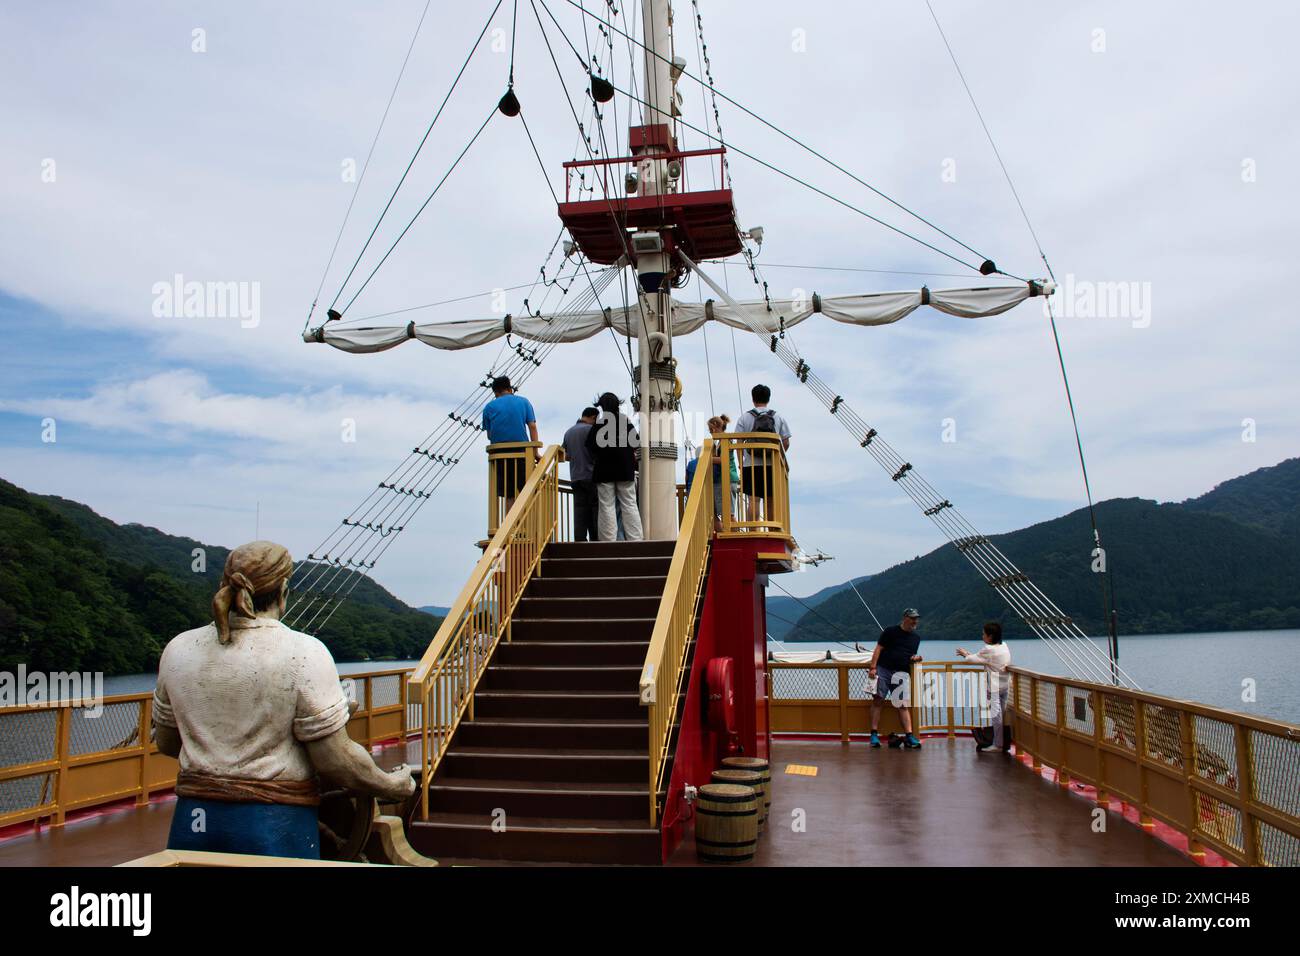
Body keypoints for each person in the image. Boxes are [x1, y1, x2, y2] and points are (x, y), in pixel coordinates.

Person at [152, 541, 415, 859]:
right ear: (283, 591)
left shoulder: (178, 649)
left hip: (192, 822)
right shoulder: (305, 652)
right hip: (275, 826)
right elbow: (335, 760)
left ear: (225, 584)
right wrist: (391, 785)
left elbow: (167, 742)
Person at [585, 391, 644, 542]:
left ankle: (608, 541)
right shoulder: (625, 421)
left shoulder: (600, 423)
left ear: (601, 407)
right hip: (625, 468)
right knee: (629, 503)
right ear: (618, 405)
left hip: (604, 469)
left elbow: (590, 446)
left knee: (606, 505)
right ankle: (635, 539)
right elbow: (636, 443)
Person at [481, 375, 539, 515]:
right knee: (527, 490)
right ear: (510, 388)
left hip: (500, 455)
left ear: (495, 392)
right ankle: (527, 526)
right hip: (523, 453)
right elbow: (532, 427)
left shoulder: (489, 407)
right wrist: (535, 452)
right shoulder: (524, 402)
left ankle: (510, 529)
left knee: (509, 494)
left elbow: (489, 435)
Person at [867, 608, 924, 750]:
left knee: (902, 704)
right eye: (912, 618)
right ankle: (874, 734)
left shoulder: (916, 638)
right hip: (884, 669)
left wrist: (916, 658)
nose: (915, 621)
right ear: (905, 618)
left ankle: (909, 735)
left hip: (901, 673)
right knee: (878, 700)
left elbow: (910, 655)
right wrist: (873, 668)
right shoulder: (890, 631)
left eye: (916, 618)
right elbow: (879, 648)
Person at [734, 384, 791, 522]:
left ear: (753, 399)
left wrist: (741, 464)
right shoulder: (778, 417)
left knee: (753, 500)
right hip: (772, 465)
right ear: (768, 398)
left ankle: (753, 531)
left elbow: (738, 444)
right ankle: (771, 529)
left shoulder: (745, 417)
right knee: (770, 501)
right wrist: (778, 458)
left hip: (751, 465)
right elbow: (786, 442)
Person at [958, 621, 1012, 753]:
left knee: (996, 716)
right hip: (1006, 684)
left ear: (990, 636)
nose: (982, 636)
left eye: (984, 634)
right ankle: (1003, 743)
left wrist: (965, 654)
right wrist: (971, 655)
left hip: (994, 686)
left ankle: (998, 745)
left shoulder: (988, 649)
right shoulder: (1004, 646)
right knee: (1003, 715)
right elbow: (983, 658)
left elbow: (971, 660)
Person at [562, 407, 599, 541]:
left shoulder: (569, 432)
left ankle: (580, 540)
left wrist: (576, 457)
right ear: (593, 417)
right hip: (591, 476)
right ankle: (596, 541)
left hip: (576, 477)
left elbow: (564, 455)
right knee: (595, 510)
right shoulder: (591, 430)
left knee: (580, 511)